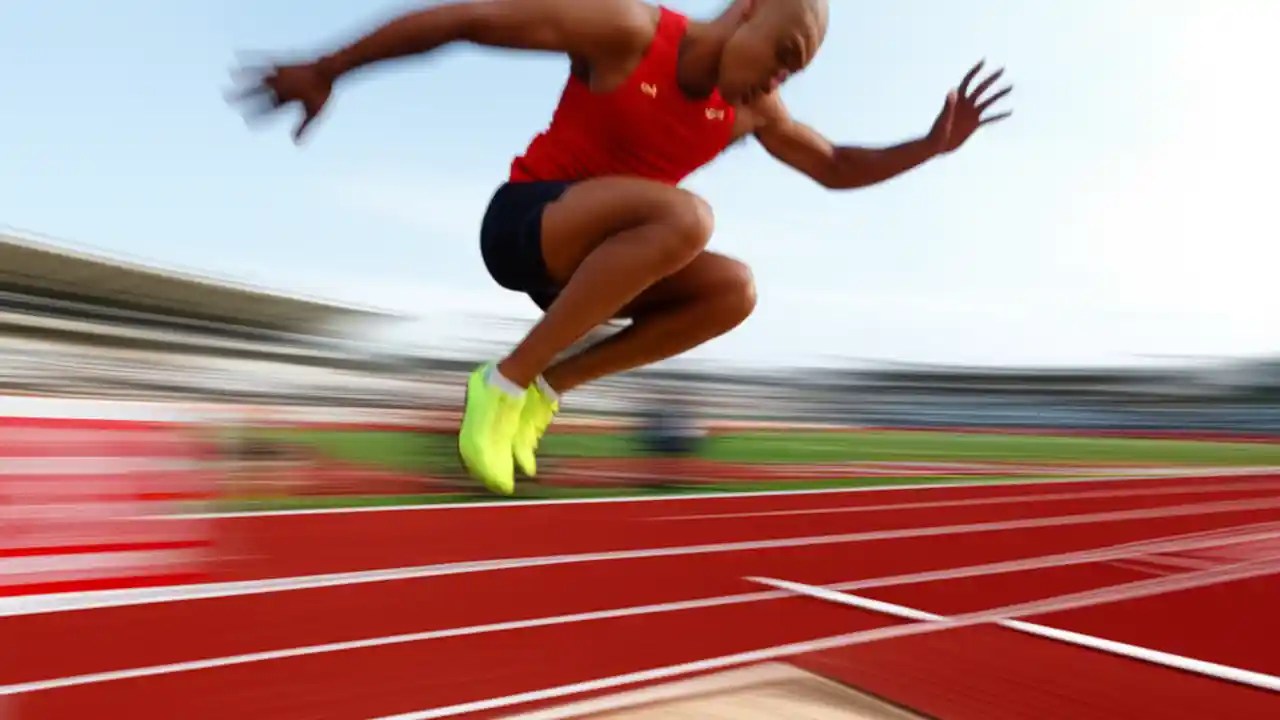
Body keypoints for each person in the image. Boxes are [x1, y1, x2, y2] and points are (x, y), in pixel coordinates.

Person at [230, 0, 1012, 496]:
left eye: (795, 71)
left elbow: (835, 165)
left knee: (733, 290)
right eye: (783, 51)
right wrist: (330, 68)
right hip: (525, 226)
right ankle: (502, 382)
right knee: (691, 219)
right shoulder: (629, 32)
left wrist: (928, 147)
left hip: (596, 271)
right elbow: (470, 22)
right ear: (745, 11)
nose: (781, 77)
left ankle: (541, 391)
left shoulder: (754, 110)